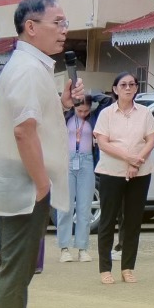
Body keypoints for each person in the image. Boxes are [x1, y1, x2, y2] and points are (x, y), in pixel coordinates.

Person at [0, 0, 76, 308]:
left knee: (13, 274)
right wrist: (42, 183)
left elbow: (33, 122)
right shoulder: (27, 69)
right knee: (14, 276)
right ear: (31, 27)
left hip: (22, 186)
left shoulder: (31, 67)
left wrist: (63, 104)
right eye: (57, 22)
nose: (64, 29)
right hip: (25, 188)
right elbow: (24, 130)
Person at [91, 71, 154, 284]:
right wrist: (129, 158)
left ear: (136, 88)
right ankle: (104, 268)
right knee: (108, 220)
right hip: (112, 172)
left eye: (132, 84)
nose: (128, 88)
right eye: (123, 85)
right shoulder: (106, 114)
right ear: (115, 89)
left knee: (133, 221)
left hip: (140, 172)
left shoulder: (145, 112)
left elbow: (150, 140)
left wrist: (136, 162)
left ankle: (128, 267)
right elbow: (103, 142)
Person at [58, 90, 98, 263]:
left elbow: (104, 99)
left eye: (86, 110)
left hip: (87, 161)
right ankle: (64, 247)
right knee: (65, 207)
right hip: (67, 160)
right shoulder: (66, 118)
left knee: (84, 207)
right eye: (80, 110)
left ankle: (82, 247)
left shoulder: (93, 120)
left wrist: (88, 94)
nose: (83, 114)